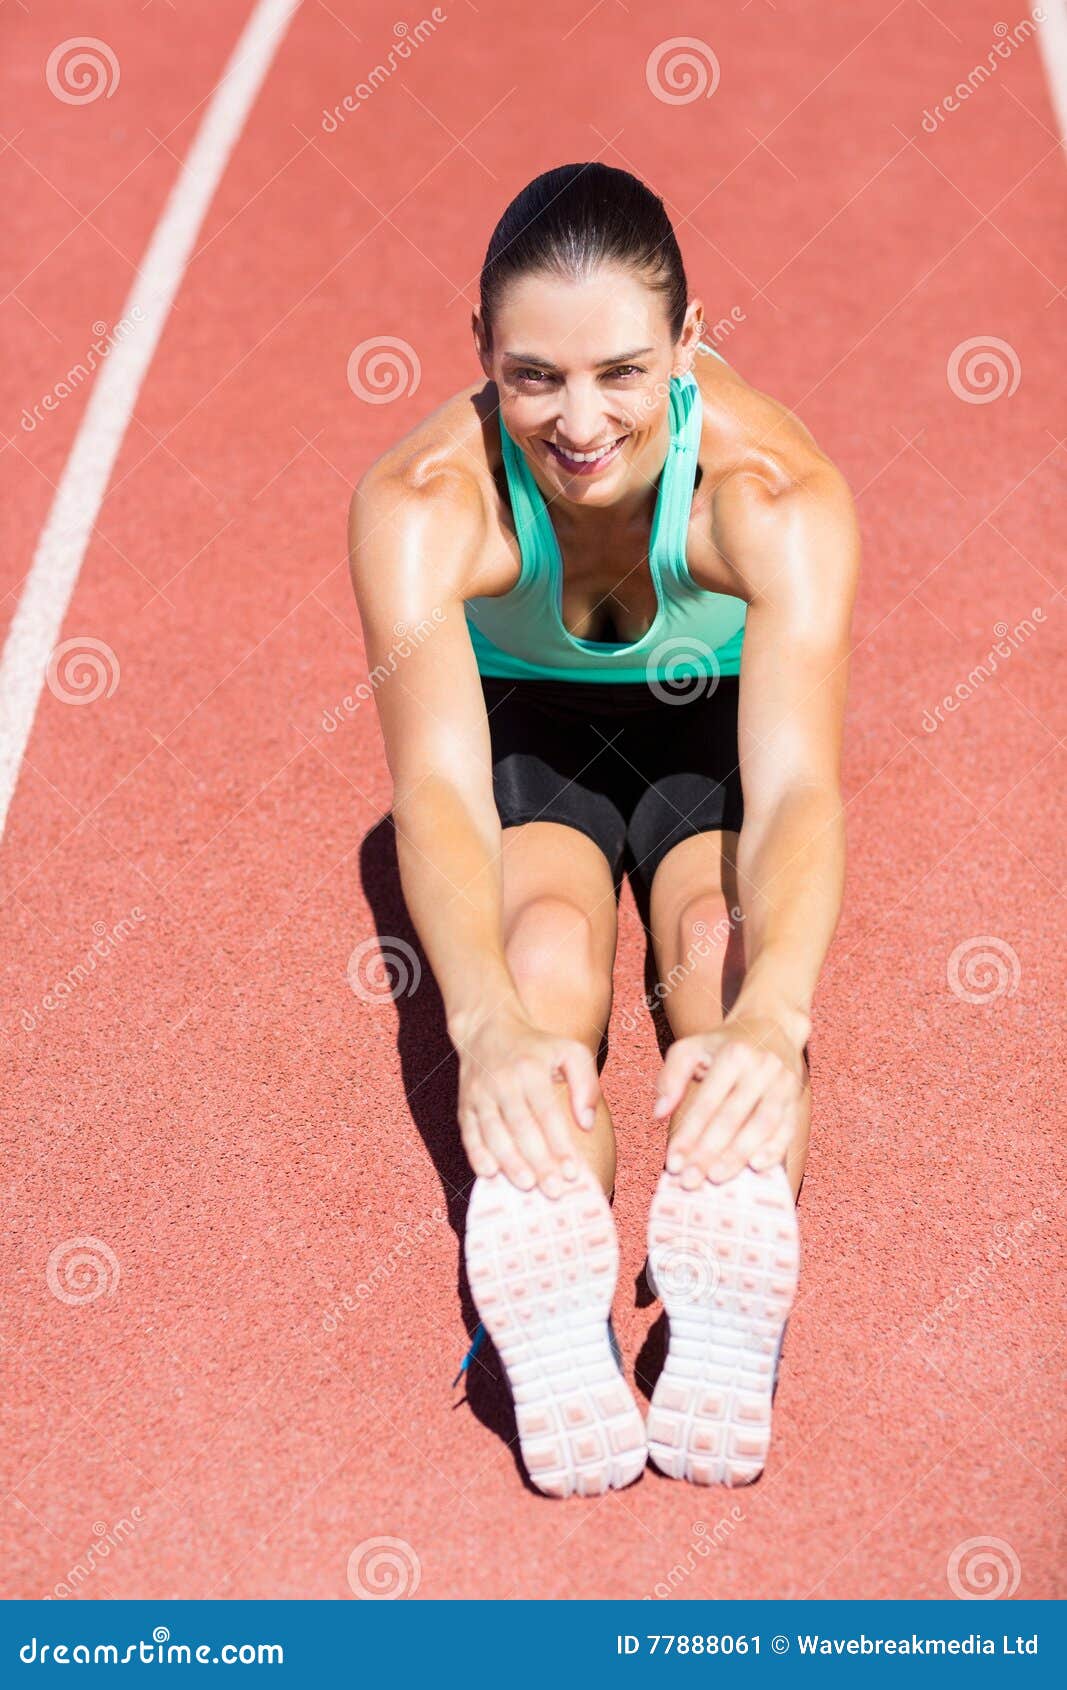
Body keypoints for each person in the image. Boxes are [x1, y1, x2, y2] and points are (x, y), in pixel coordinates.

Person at [348, 162, 858, 1499]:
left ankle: (724, 1277)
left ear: (690, 346)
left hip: (710, 725)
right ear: (480, 354)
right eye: (535, 378)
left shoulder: (776, 495)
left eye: (624, 372)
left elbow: (798, 786)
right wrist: (480, 1026)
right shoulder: (421, 506)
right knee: (548, 959)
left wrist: (778, 1012)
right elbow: (443, 789)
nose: (580, 425)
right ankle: (556, 1285)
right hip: (537, 729)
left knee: (714, 951)